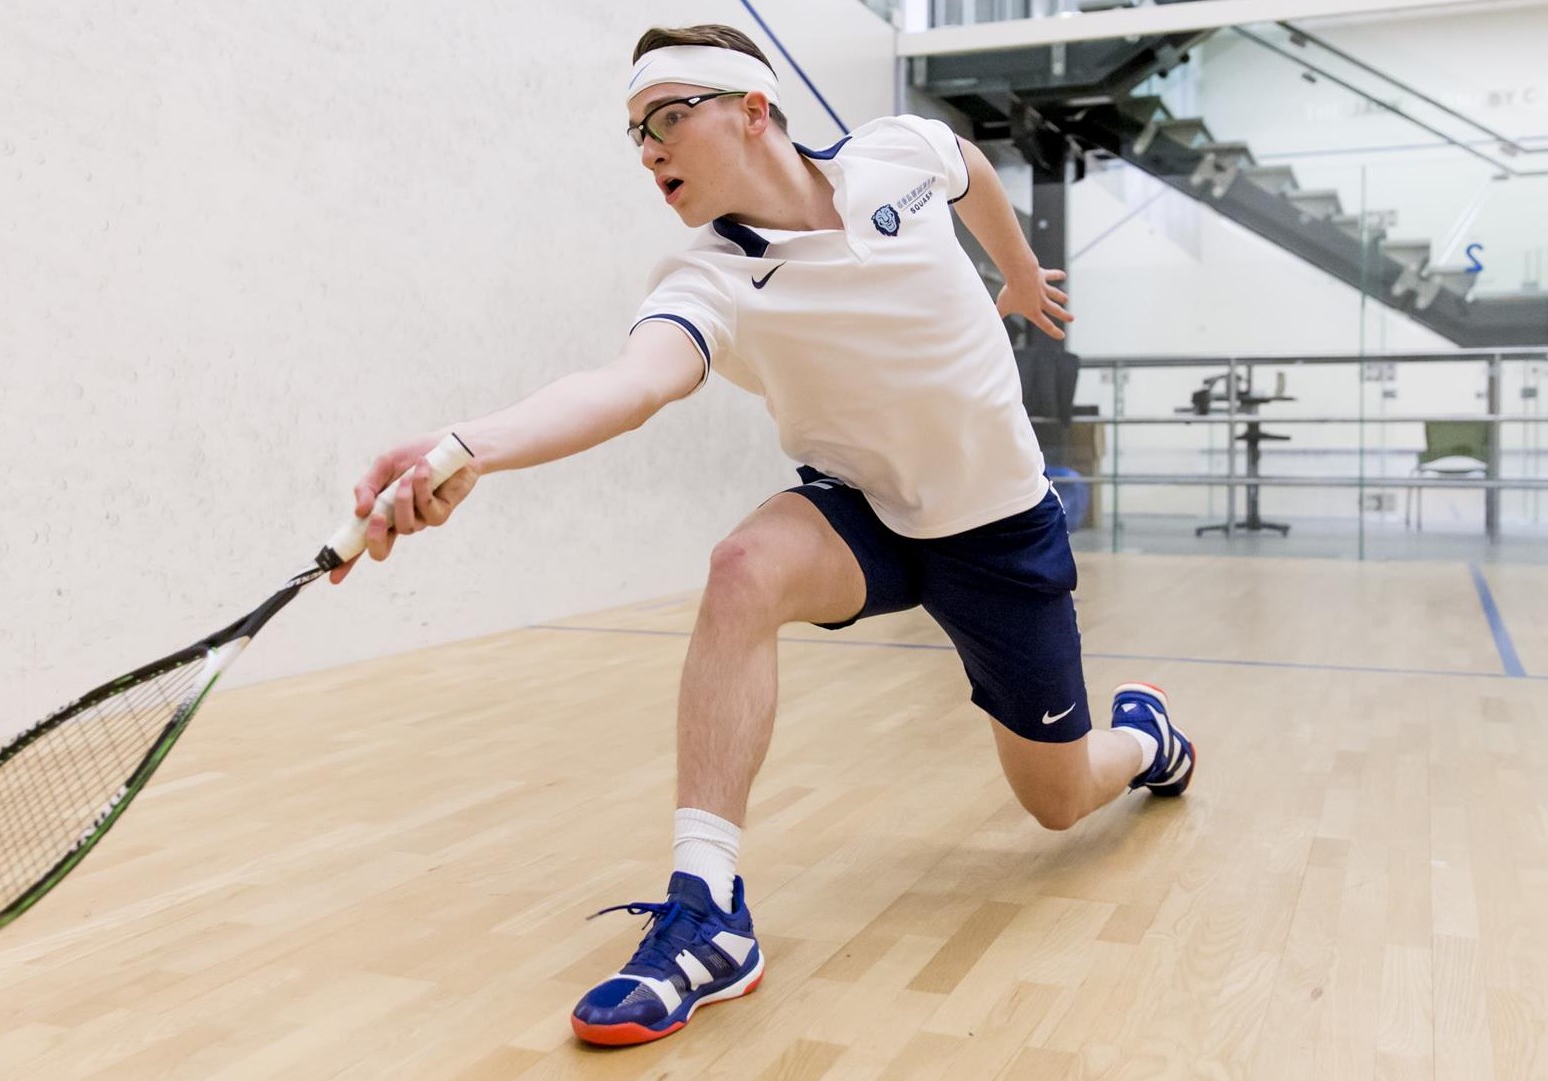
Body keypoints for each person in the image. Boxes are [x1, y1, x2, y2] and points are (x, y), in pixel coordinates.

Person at [329, 23, 1195, 1047]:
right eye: (632, 133)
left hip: (998, 531)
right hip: (863, 511)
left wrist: (1013, 273)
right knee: (743, 566)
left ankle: (1145, 737)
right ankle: (707, 914)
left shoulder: (898, 156)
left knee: (1056, 799)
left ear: (750, 110)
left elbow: (967, 170)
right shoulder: (707, 280)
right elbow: (628, 384)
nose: (647, 149)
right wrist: (469, 445)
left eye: (665, 118)